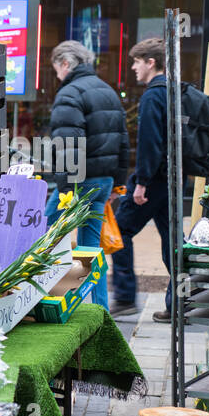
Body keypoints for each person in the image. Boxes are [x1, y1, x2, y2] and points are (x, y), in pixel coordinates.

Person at [42, 40, 128, 310]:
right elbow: (123, 141)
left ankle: (47, 301)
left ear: (65, 64)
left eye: (57, 69)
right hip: (103, 182)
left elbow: (67, 146)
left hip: (78, 182)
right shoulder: (108, 91)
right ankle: (98, 309)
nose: (57, 76)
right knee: (91, 249)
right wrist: (119, 183)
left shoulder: (70, 94)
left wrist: (65, 189)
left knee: (43, 235)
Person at [110, 37, 172, 322]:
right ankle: (181, 302)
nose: (133, 67)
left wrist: (142, 183)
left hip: (153, 180)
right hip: (171, 178)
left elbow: (150, 142)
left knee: (119, 231)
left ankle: (124, 297)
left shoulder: (152, 95)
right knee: (173, 241)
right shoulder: (173, 92)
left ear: (151, 62)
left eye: (136, 61)